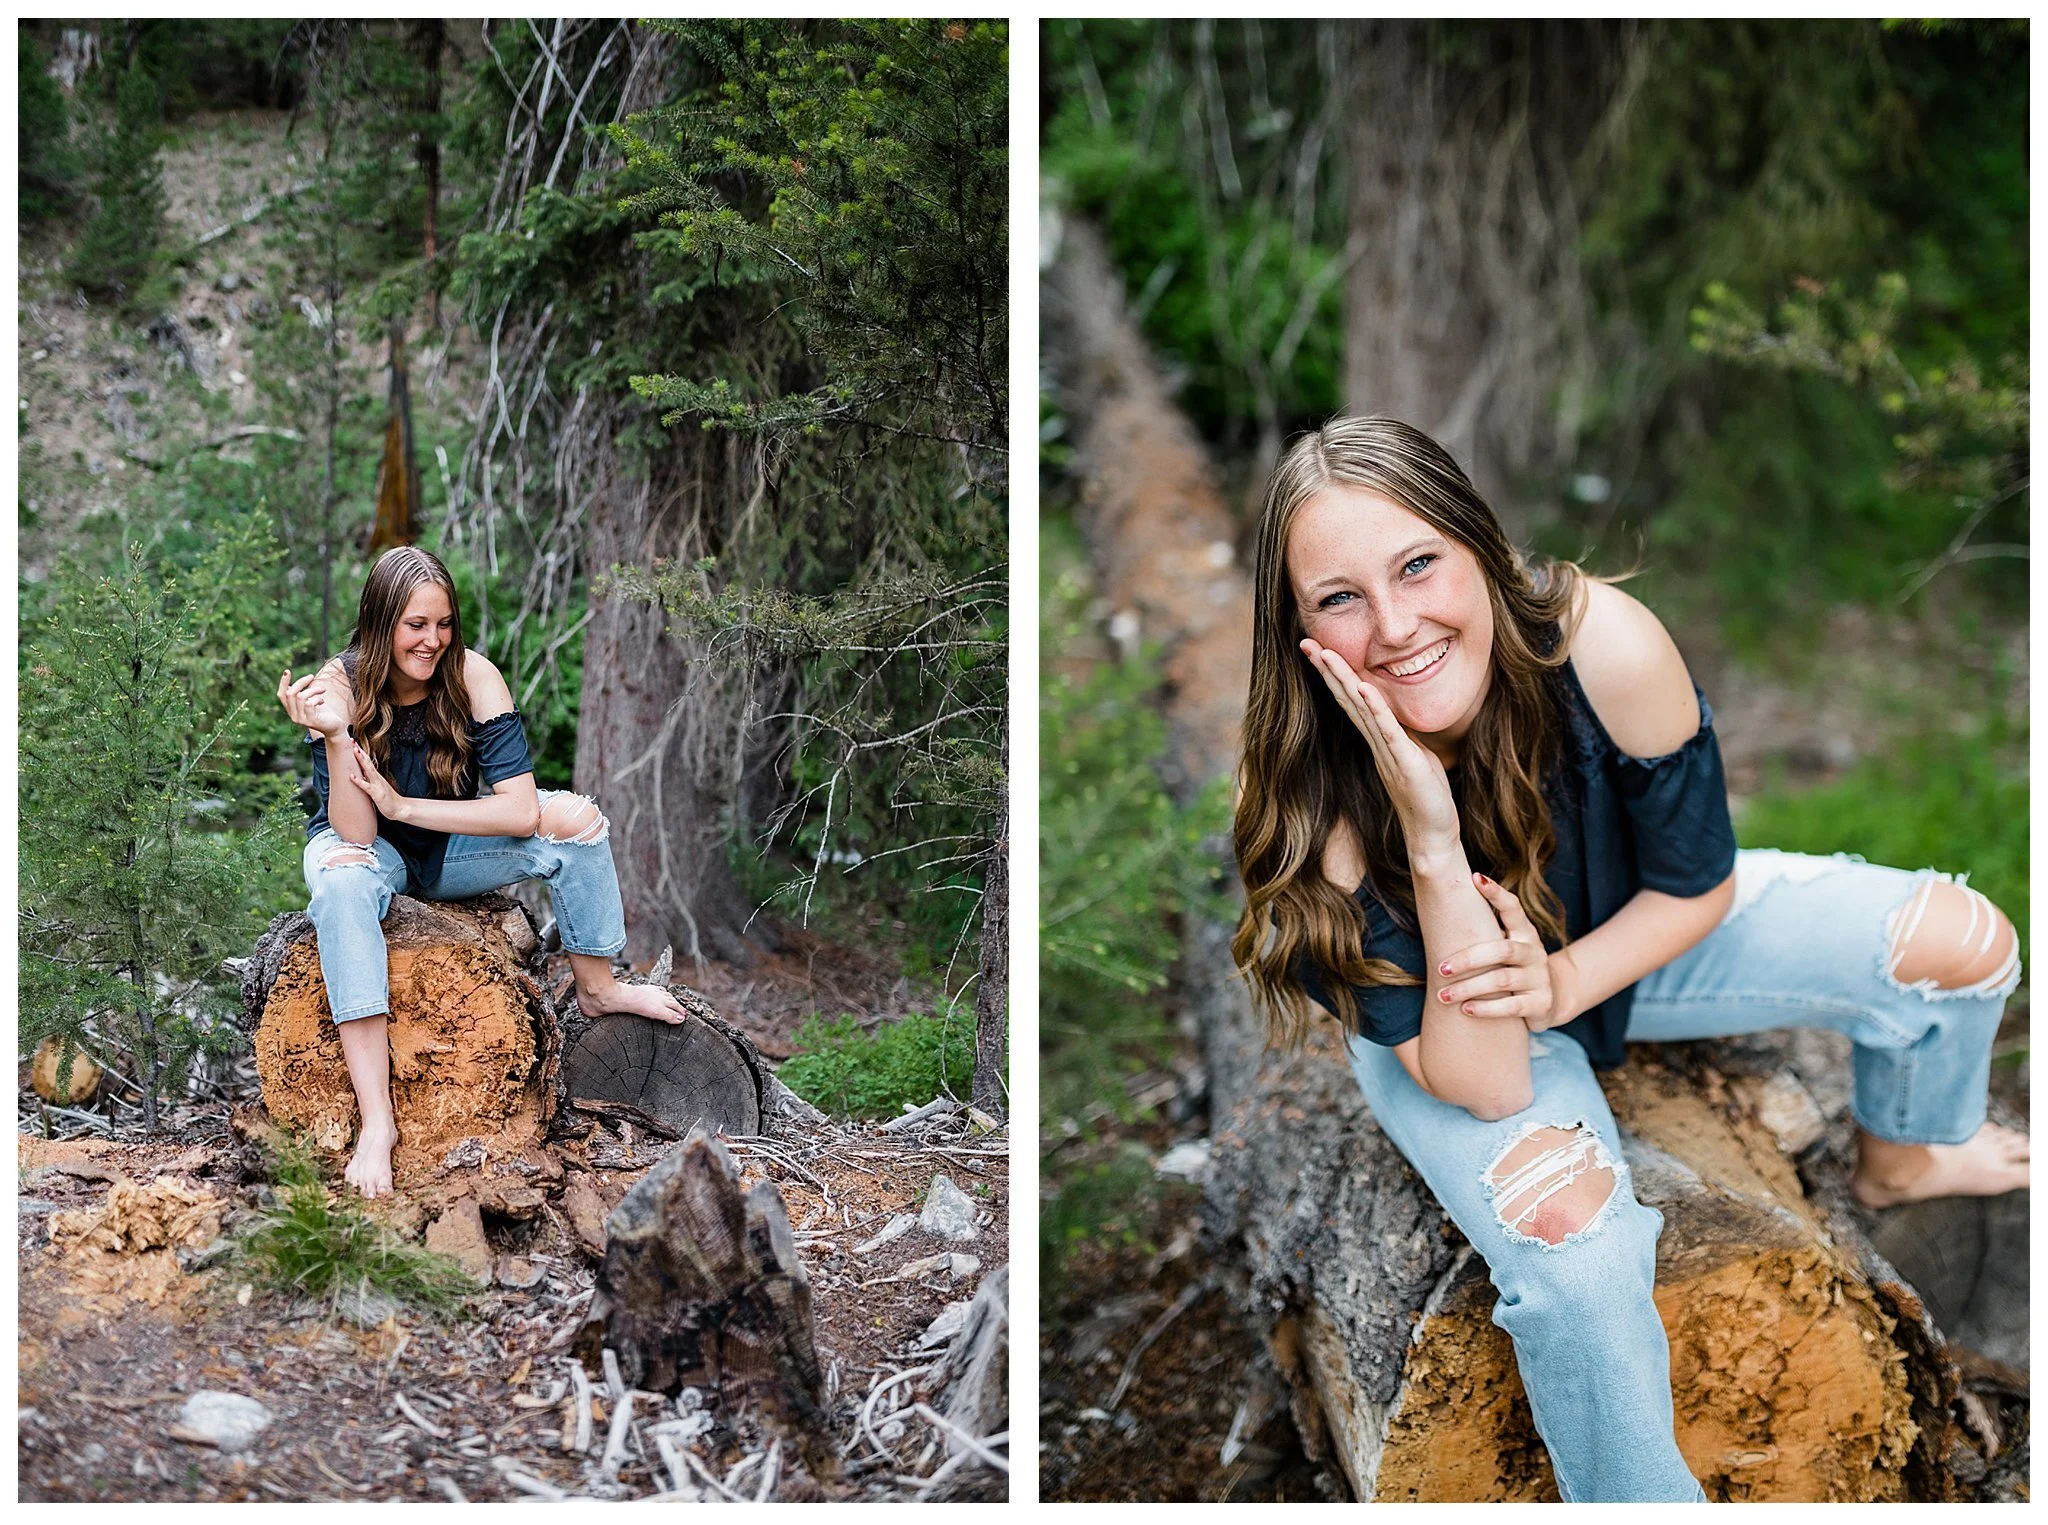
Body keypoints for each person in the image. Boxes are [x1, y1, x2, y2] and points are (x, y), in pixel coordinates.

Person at [1230, 415, 2027, 1503]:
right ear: (1298, 630)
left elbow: (1695, 880)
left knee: (1963, 943)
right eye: (1339, 597)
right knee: (1575, 1257)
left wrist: (1563, 979)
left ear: (1479, 548)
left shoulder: (1601, 645)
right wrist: (1425, 835)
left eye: (1418, 564)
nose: (1396, 624)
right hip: (1455, 1022)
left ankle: (1903, 1157)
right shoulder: (1315, 795)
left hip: (1626, 940)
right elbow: (1483, 1078)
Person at [277, 545, 689, 1199]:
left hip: (447, 847)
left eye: (443, 623)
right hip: (369, 847)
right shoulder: (341, 683)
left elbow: (521, 809)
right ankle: (377, 1122)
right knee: (343, 881)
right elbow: (356, 831)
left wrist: (403, 804)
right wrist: (336, 735)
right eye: (416, 624)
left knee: (575, 820)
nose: (432, 640)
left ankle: (599, 986)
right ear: (382, 622)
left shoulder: (472, 676)